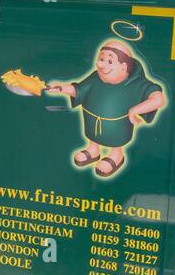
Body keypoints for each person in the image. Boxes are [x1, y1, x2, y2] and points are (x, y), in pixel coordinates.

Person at [46, 41, 164, 178]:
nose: (100, 64)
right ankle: (93, 150)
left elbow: (158, 99)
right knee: (92, 137)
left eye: (109, 61)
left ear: (123, 67)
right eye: (101, 59)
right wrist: (61, 88)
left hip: (119, 130)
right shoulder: (95, 77)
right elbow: (78, 90)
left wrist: (135, 110)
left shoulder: (137, 84)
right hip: (91, 122)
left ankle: (116, 155)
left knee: (116, 142)